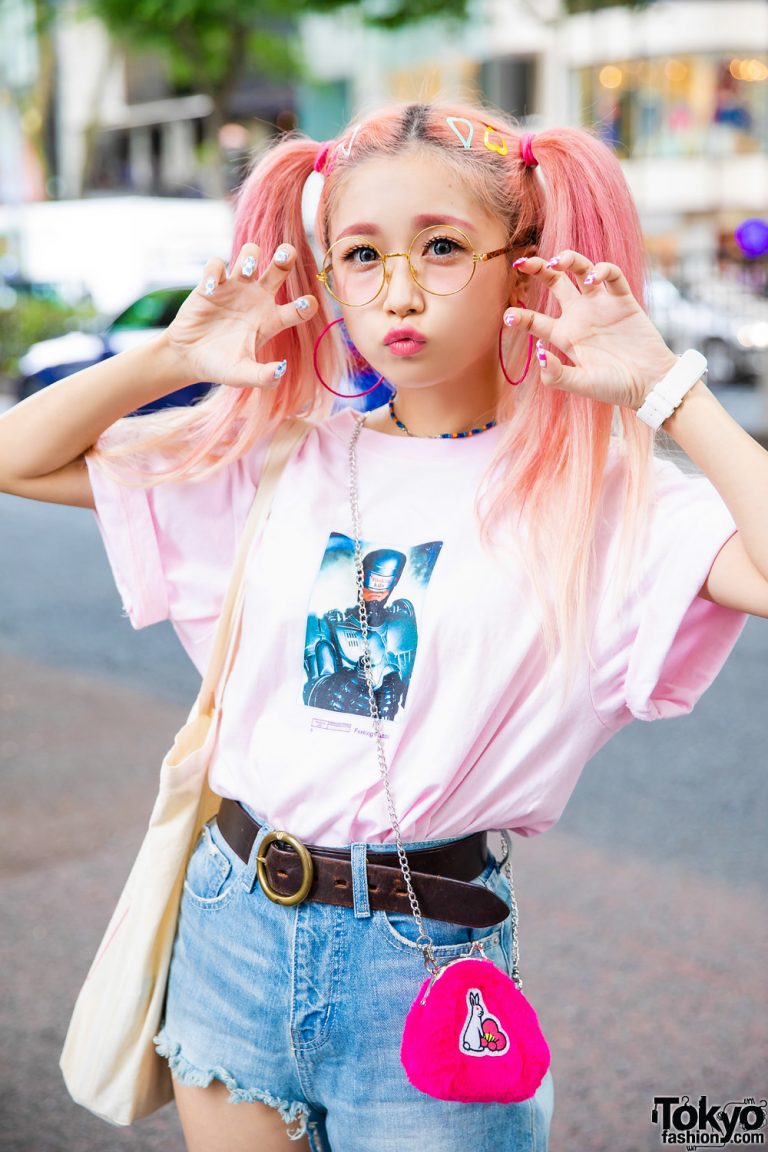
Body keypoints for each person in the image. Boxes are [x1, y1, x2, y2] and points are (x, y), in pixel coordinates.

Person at [1, 100, 765, 1152]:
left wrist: (668, 390)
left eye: (443, 247)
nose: (399, 291)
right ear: (328, 277)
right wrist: (169, 357)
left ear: (525, 264)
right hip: (236, 917)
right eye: (361, 255)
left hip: (428, 960)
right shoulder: (278, 460)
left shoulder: (597, 499)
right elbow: (18, 458)